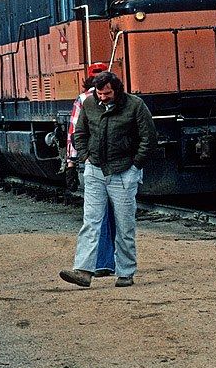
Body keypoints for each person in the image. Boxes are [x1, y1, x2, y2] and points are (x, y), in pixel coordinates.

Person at [60, 71, 157, 288]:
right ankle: (83, 271)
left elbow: (148, 137)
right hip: (95, 171)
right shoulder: (89, 104)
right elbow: (80, 133)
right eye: (99, 93)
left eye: (107, 93)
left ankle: (125, 273)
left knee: (125, 225)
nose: (102, 97)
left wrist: (135, 166)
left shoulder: (135, 105)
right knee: (90, 222)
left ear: (117, 89)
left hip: (124, 172)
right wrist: (85, 157)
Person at [62, 62, 115, 277]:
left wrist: (72, 162)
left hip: (97, 163)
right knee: (112, 215)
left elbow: (73, 133)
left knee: (97, 214)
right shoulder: (120, 99)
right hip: (112, 164)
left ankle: (103, 263)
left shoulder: (83, 99)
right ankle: (110, 262)